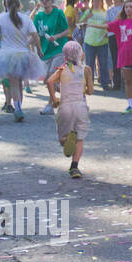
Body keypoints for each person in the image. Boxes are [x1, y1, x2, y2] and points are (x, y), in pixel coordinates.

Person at [0, 0, 45, 121]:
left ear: (6, 6)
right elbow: (35, 36)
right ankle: (19, 107)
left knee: (13, 83)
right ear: (20, 6)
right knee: (19, 83)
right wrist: (39, 50)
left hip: (7, 55)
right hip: (23, 54)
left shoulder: (1, 18)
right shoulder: (26, 19)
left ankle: (18, 109)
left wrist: (1, 37)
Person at [46, 40, 93, 179]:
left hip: (65, 107)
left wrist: (54, 99)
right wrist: (83, 87)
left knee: (62, 138)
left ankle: (66, 140)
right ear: (81, 54)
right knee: (80, 139)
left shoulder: (62, 70)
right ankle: (74, 167)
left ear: (65, 56)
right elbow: (90, 91)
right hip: (81, 108)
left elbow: (49, 81)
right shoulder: (86, 69)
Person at [32, 0, 71, 114]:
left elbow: (67, 31)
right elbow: (35, 35)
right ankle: (68, 93)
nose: (44, 1)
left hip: (59, 49)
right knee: (47, 80)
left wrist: (57, 37)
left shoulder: (58, 13)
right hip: (45, 51)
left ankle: (50, 105)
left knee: (50, 77)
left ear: (52, 1)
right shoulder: (38, 17)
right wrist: (37, 48)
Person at [78, 0, 112, 91]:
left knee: (103, 63)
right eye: (94, 0)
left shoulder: (105, 12)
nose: (96, 2)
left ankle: (105, 83)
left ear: (102, 2)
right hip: (89, 41)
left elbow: (109, 24)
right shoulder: (88, 11)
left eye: (98, 0)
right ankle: (89, 83)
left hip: (102, 41)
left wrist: (107, 33)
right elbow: (80, 24)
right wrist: (87, 17)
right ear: (92, 2)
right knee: (89, 64)